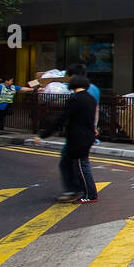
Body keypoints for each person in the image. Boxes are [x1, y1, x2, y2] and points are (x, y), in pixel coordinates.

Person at [31, 74, 98, 203]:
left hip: (78, 137)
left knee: (81, 165)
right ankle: (74, 190)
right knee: (68, 163)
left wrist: (43, 135)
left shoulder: (75, 99)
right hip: (86, 135)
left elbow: (62, 119)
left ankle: (89, 194)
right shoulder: (91, 98)